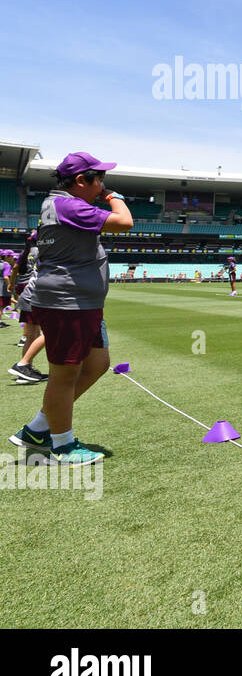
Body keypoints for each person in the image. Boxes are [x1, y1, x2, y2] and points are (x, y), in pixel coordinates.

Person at [8, 153, 133, 465]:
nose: (103, 184)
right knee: (65, 375)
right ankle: (62, 446)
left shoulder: (63, 204)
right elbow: (125, 222)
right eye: (99, 178)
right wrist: (114, 197)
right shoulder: (68, 204)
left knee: (98, 363)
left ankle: (37, 429)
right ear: (81, 181)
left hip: (82, 302)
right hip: (68, 302)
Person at [8, 231, 48, 383]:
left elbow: (15, 269)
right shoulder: (43, 251)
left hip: (26, 292)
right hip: (35, 295)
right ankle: (24, 366)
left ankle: (25, 370)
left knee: (31, 336)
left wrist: (12, 284)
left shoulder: (26, 252)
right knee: (49, 332)